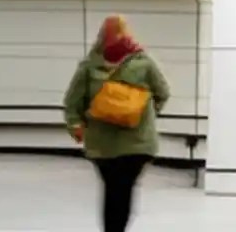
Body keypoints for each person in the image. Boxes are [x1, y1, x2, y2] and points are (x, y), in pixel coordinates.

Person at [63, 15, 170, 232]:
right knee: (116, 189)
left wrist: (142, 114)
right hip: (103, 145)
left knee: (119, 188)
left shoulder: (143, 62)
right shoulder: (88, 66)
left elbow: (162, 92)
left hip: (135, 144)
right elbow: (73, 102)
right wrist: (75, 124)